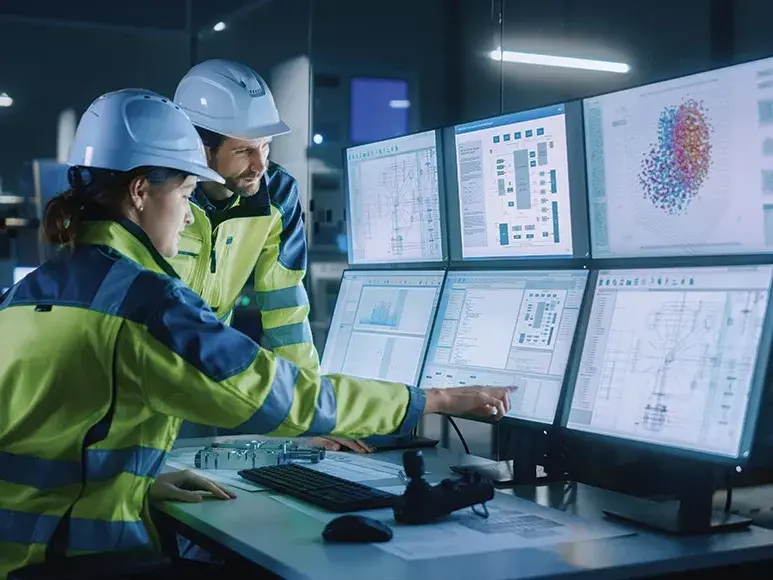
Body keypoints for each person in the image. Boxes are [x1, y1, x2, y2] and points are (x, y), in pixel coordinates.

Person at [0, 89, 513, 580]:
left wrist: (142, 485)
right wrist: (433, 399)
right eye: (183, 194)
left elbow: (51, 438)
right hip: (77, 560)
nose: (186, 215)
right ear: (139, 193)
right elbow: (275, 395)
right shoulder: (145, 303)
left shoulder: (26, 295)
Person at [171, 59, 367, 452]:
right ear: (200, 148)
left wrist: (309, 416)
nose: (260, 165)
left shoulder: (277, 195)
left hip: (201, 380)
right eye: (244, 151)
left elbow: (286, 312)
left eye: (265, 146)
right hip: (136, 379)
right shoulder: (161, 195)